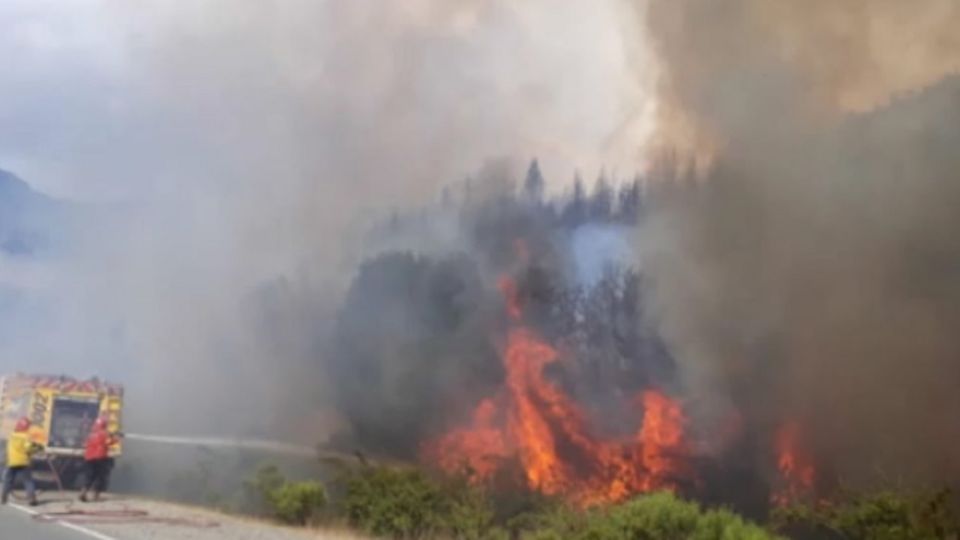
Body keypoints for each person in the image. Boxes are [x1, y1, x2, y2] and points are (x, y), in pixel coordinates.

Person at [79, 416, 121, 503]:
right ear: (104, 424)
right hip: (100, 458)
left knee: (89, 476)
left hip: (89, 458)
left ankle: (83, 492)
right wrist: (117, 438)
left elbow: (86, 443)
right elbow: (108, 442)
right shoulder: (104, 433)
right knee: (100, 477)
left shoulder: (91, 434)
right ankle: (95, 495)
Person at [2, 417, 42, 506]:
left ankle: (4, 498)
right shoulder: (26, 437)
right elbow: (28, 448)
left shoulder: (12, 435)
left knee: (8, 480)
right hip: (24, 462)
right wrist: (38, 448)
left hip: (11, 461)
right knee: (28, 481)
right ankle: (31, 499)